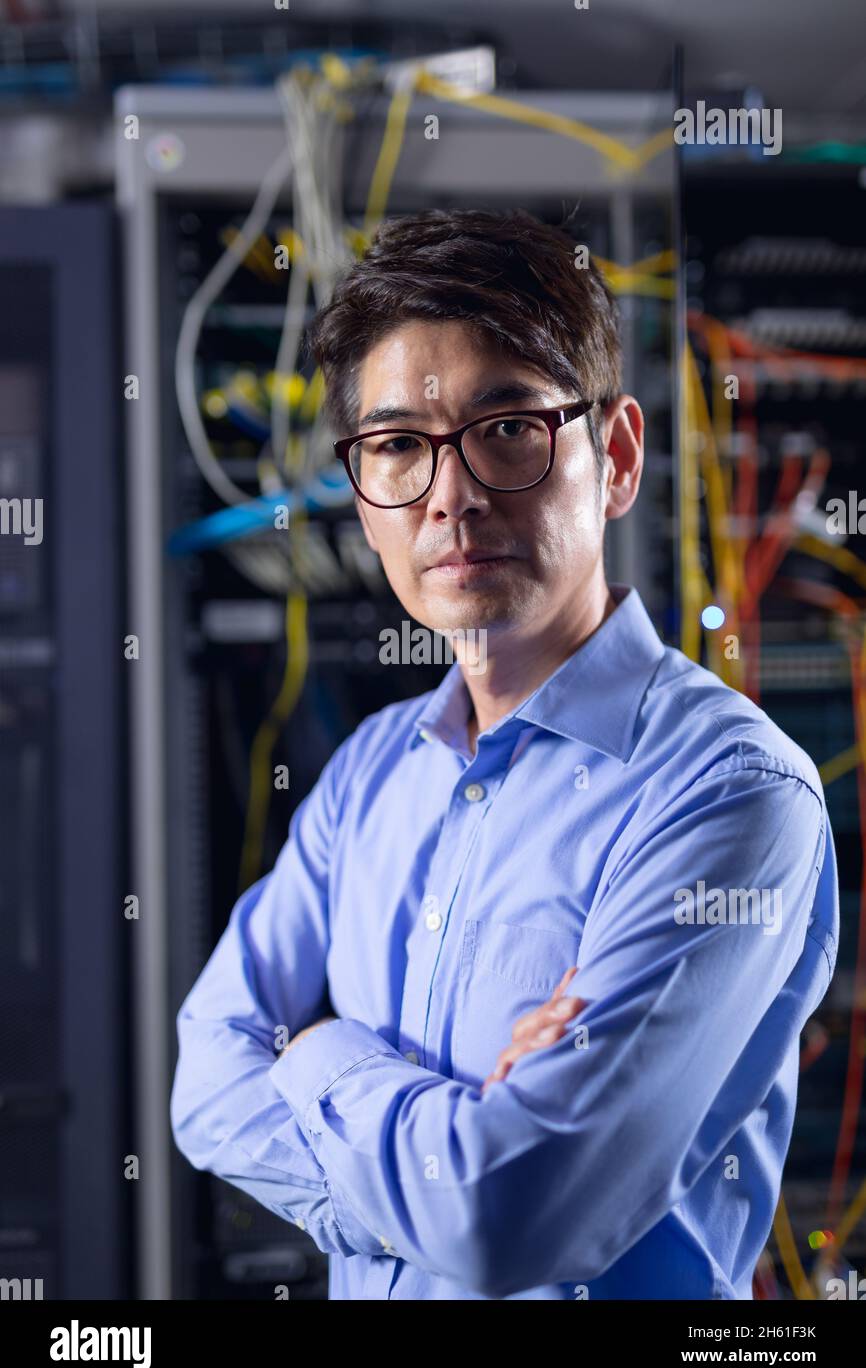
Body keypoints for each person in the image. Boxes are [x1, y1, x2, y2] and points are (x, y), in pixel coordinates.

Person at [170, 208, 838, 1300]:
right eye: (394, 446)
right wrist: (441, 1158)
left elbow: (509, 1218)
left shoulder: (728, 798)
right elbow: (202, 1077)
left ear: (614, 457)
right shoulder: (369, 775)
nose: (450, 495)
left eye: (507, 428)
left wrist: (315, 1057)